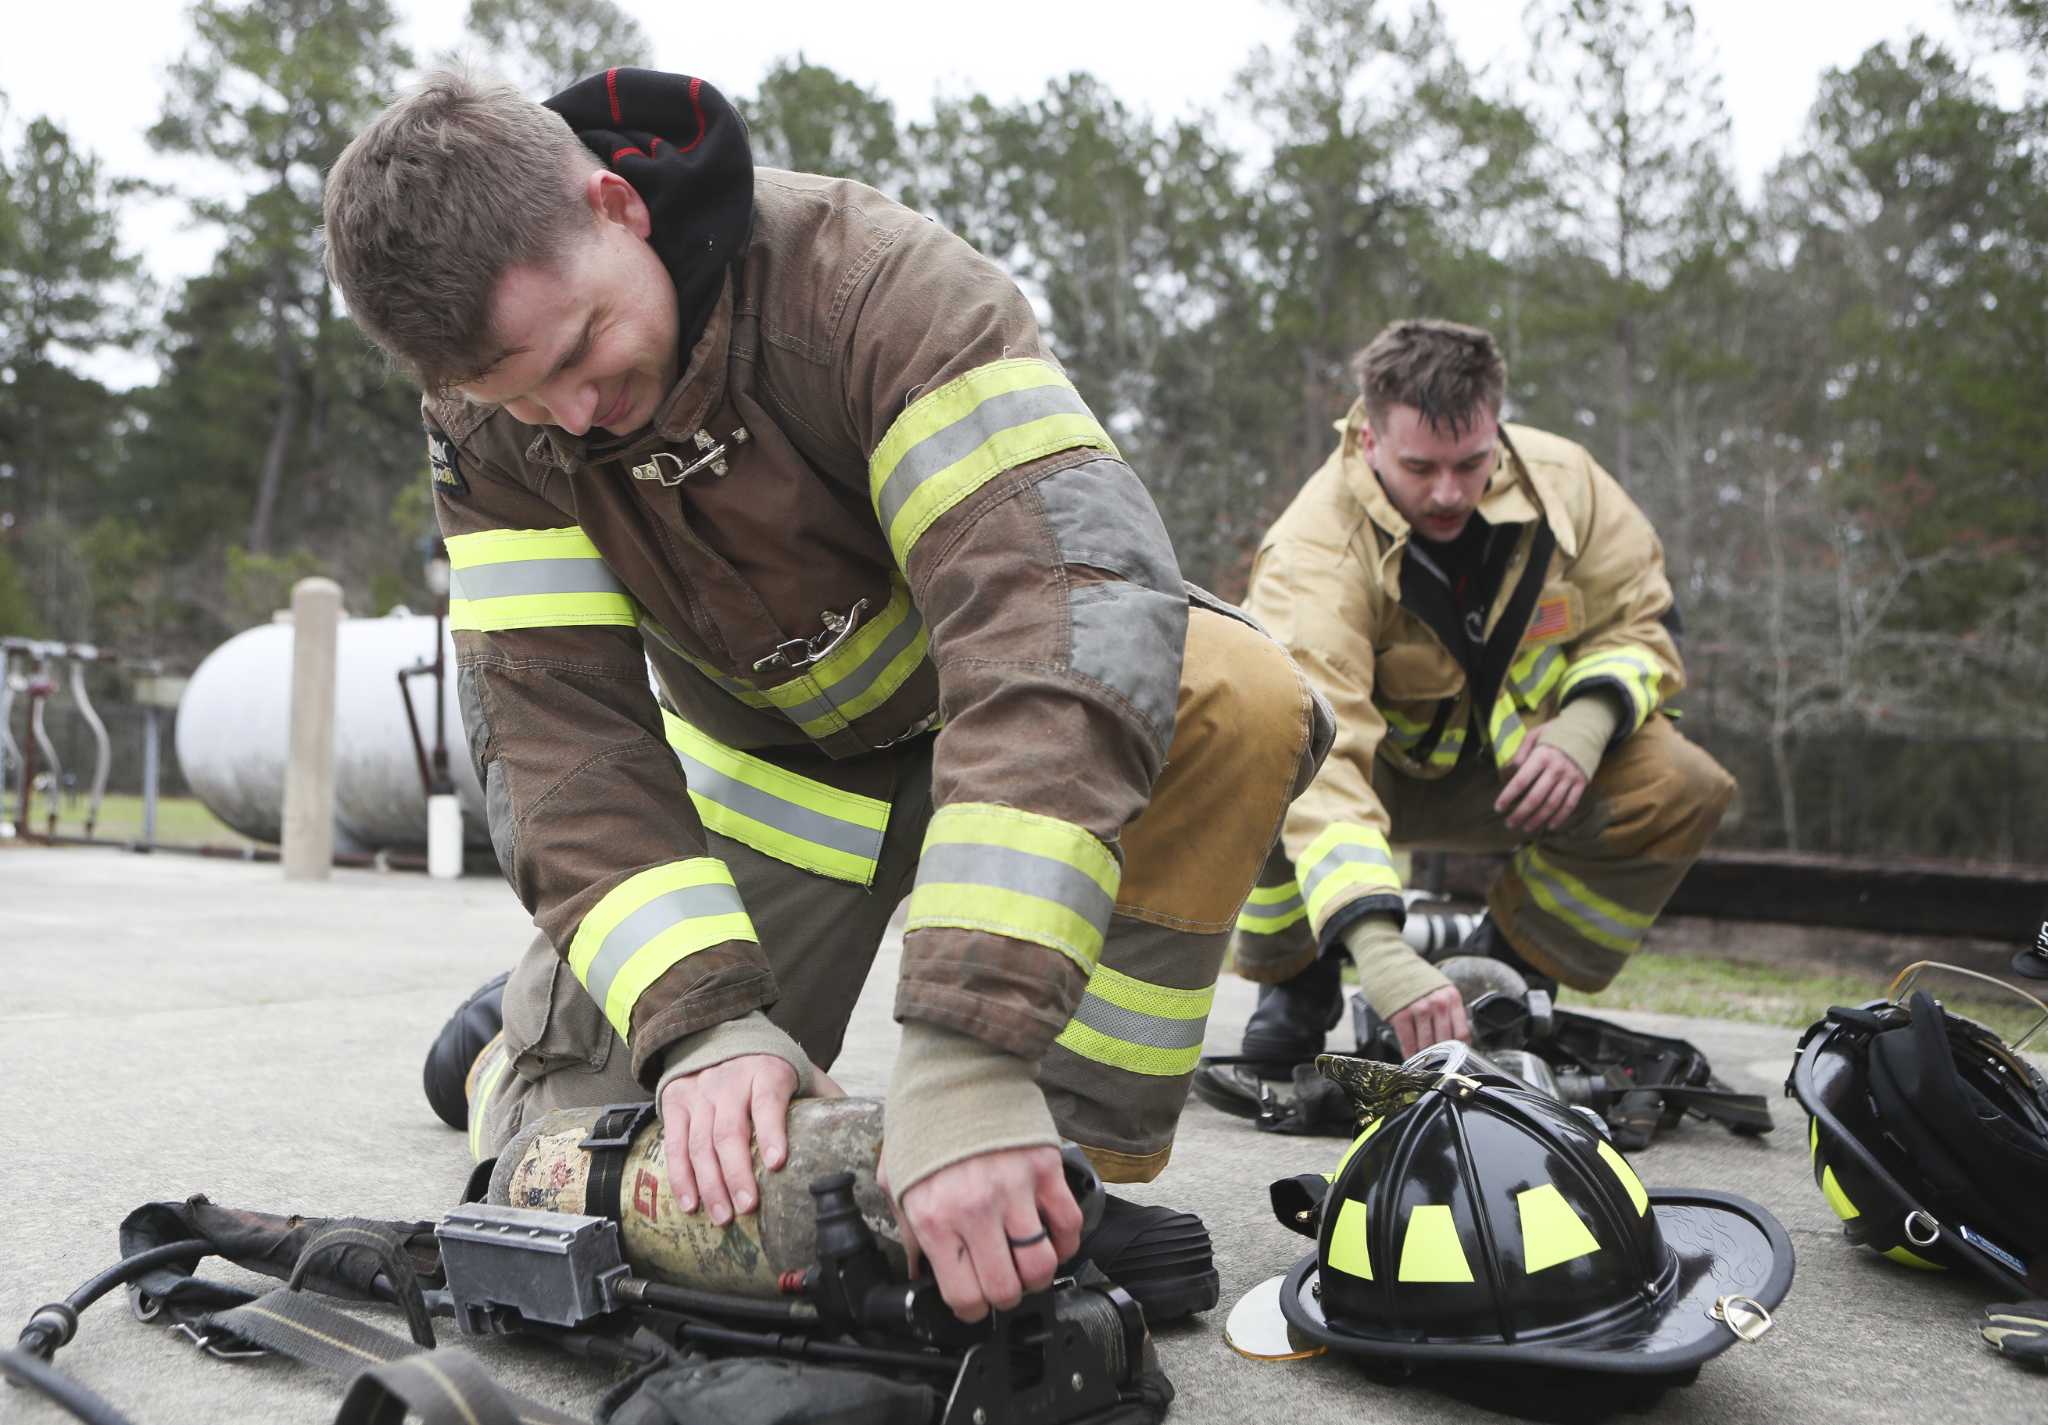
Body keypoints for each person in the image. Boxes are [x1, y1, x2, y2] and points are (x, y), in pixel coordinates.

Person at [322, 67, 1326, 1327]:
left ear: (617, 206)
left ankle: (1052, 1174)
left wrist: (967, 1065)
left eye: (577, 350)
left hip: (996, 733)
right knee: (568, 1165)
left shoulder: (875, 289)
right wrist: (698, 1024)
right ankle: (507, 1044)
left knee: (1232, 693)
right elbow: (556, 738)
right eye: (516, 395)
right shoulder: (493, 426)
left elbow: (1053, 614)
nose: (567, 417)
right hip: (781, 784)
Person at [1223, 318, 1733, 1069]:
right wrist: (1381, 952)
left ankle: (1505, 971)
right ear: (1368, 438)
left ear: (1497, 425)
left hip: (1520, 771)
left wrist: (1584, 728)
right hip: (1368, 776)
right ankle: (1298, 980)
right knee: (1271, 753)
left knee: (1680, 784)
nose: (1449, 491)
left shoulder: (1569, 486)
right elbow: (1321, 760)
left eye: (1471, 462)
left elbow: (1643, 624)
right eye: (1420, 466)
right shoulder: (1314, 551)